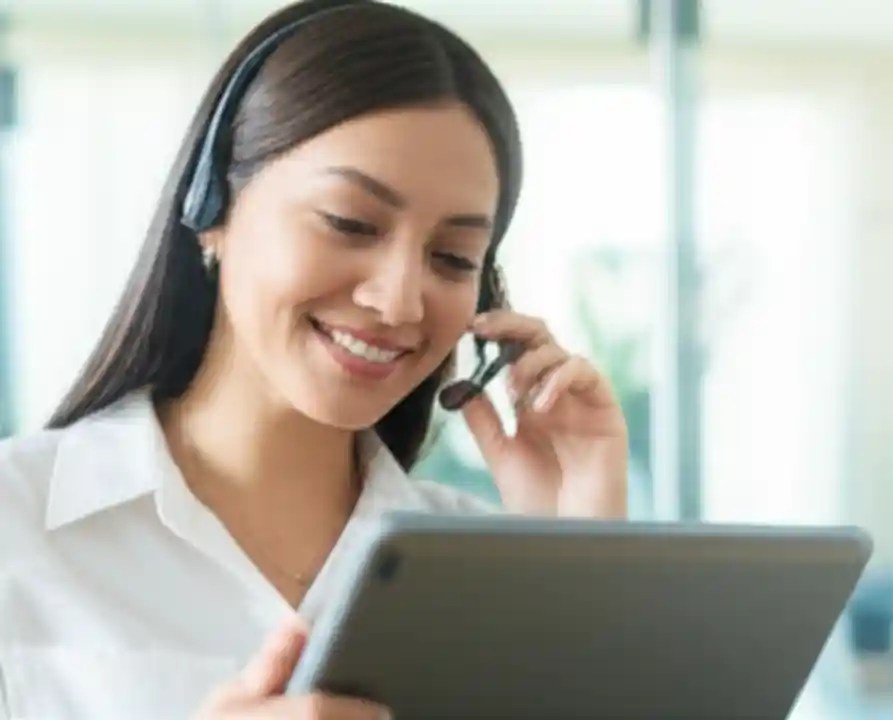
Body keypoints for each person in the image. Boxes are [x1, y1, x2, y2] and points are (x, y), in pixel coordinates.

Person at [0, 1, 629, 717]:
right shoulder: (15, 527)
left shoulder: (485, 569)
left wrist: (577, 563)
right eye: (349, 223)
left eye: (451, 258)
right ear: (213, 211)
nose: (400, 302)